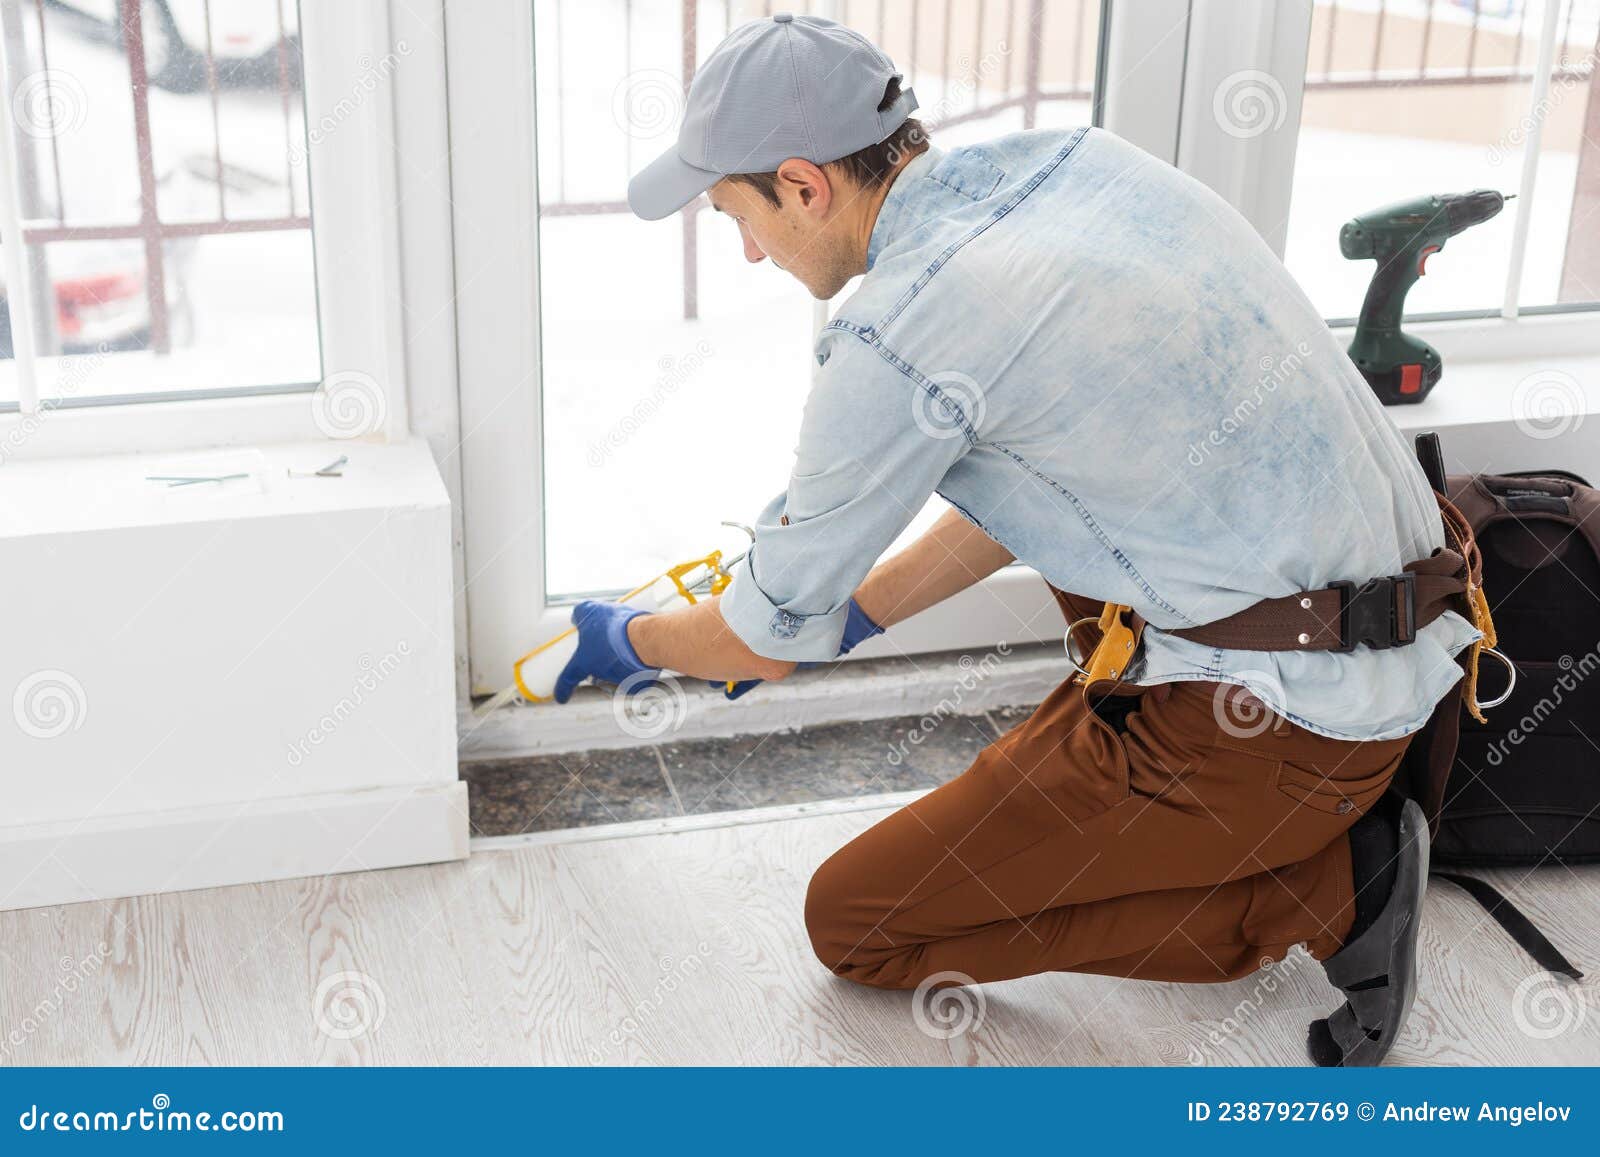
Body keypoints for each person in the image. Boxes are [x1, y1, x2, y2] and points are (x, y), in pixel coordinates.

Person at [554, 12, 1480, 1066]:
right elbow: (1040, 486)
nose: (750, 251)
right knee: (1005, 812)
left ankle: (1333, 888)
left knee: (855, 921)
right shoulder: (1080, 165)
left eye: (739, 215)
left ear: (804, 185)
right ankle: (1255, 823)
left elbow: (758, 639)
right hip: (1406, 642)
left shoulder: (898, 331)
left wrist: (628, 640)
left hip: (1287, 727)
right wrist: (851, 614)